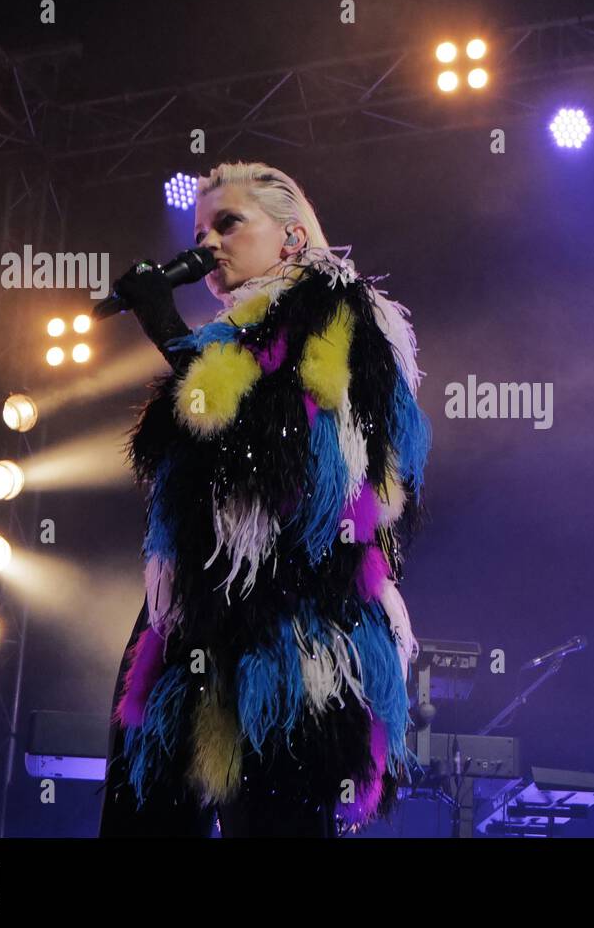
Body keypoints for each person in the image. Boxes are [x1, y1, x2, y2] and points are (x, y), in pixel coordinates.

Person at [97, 161, 431, 837]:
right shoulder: (230, 342)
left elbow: (276, 446)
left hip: (292, 620)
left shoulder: (339, 311)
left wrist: (165, 325)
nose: (208, 242)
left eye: (229, 223)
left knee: (273, 817)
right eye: (199, 229)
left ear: (290, 237)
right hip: (198, 612)